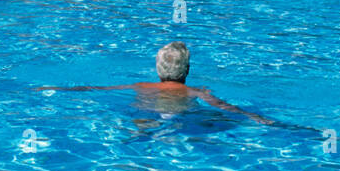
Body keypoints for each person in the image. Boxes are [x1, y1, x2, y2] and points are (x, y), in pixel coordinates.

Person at [39, 41, 273, 125]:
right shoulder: (197, 91)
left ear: (157, 69)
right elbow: (228, 108)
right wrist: (258, 117)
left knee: (142, 122)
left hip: (146, 112)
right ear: (187, 70)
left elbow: (94, 89)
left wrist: (56, 88)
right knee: (207, 123)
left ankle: (143, 131)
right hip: (183, 117)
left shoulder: (141, 86)